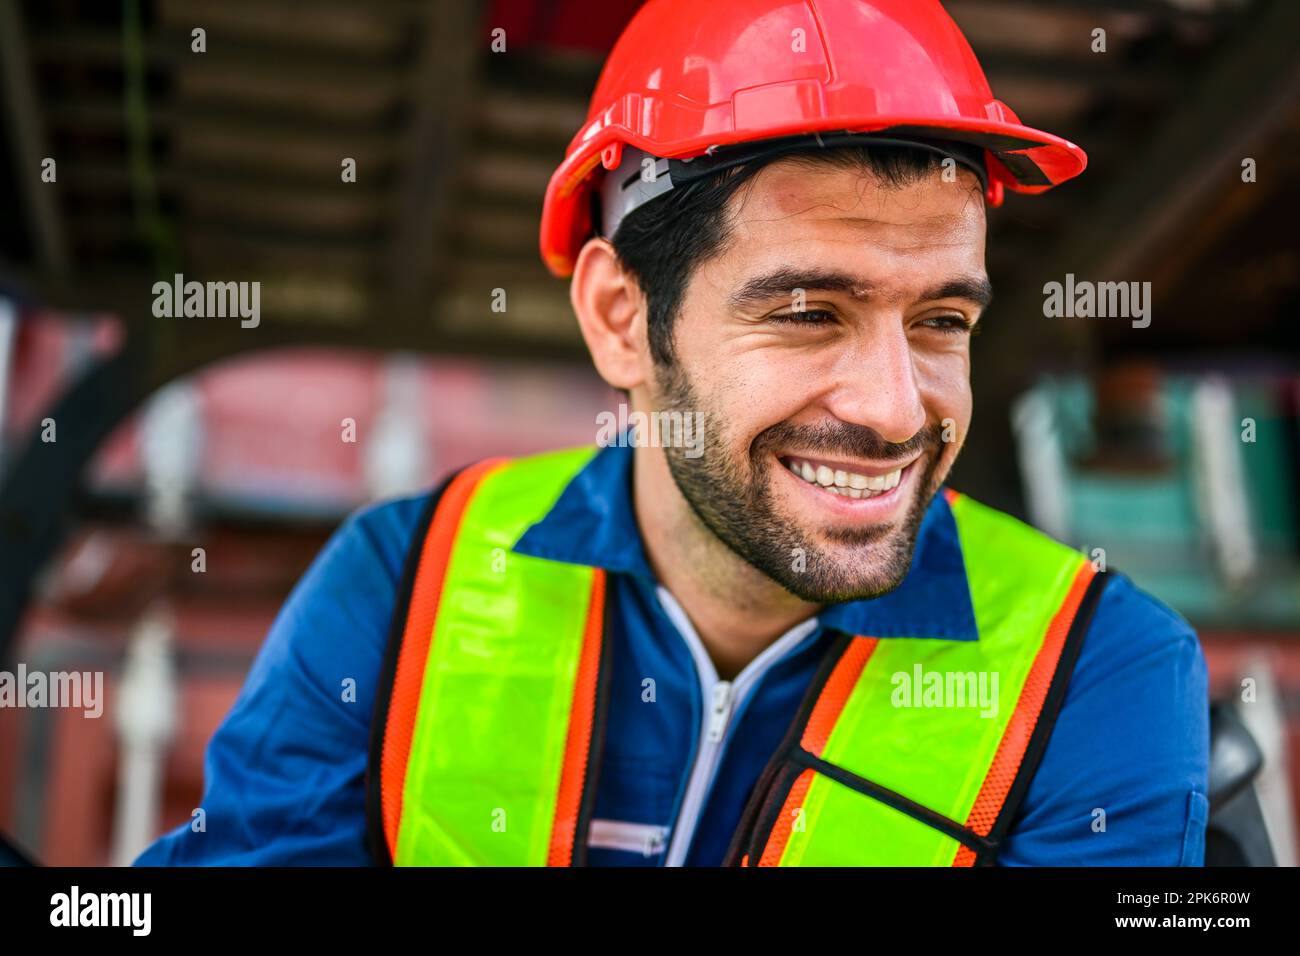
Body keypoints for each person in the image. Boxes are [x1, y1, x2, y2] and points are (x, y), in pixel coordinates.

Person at [137, 0, 1208, 867]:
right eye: (806, 313)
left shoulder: (1101, 669)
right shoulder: (402, 581)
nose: (893, 407)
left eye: (940, 321)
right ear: (619, 318)